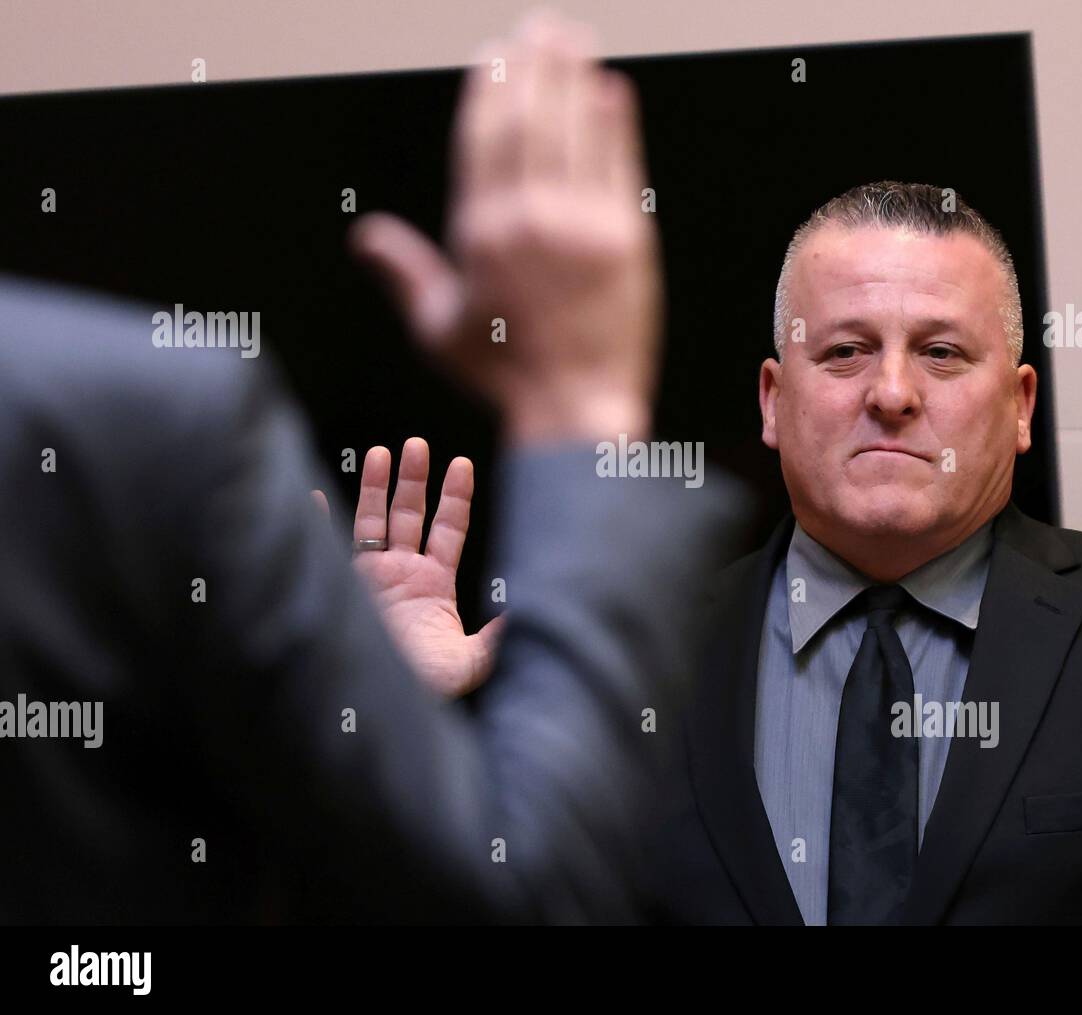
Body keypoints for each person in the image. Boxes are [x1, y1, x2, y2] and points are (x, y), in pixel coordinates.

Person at [0, 12, 741, 924]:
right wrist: (580, 401)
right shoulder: (147, 417)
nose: (891, 392)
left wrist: (368, 716)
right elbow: (522, 898)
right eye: (846, 351)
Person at [634, 181, 1082, 925]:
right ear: (772, 400)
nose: (891, 393)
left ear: (1019, 406)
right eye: (846, 351)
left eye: (941, 352)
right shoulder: (625, 663)